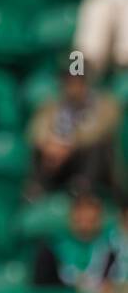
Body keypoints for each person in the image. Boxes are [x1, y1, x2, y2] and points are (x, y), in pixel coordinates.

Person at [26, 69, 121, 198]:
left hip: (87, 161)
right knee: (39, 151)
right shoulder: (53, 104)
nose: (73, 87)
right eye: (69, 82)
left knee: (98, 147)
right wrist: (48, 144)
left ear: (85, 83)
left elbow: (102, 130)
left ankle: (83, 187)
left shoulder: (104, 104)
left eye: (77, 82)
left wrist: (69, 146)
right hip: (58, 160)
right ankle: (38, 189)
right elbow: (36, 129)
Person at [33, 191, 118, 293]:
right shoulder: (52, 250)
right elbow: (41, 291)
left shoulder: (112, 249)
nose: (84, 227)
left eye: (90, 221)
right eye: (79, 221)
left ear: (99, 221)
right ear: (70, 219)